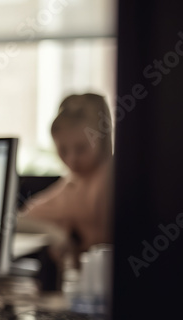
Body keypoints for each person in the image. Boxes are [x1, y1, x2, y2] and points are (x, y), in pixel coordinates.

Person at [18, 93, 114, 264]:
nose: (71, 160)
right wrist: (55, 233)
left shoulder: (110, 178)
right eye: (62, 150)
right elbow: (19, 220)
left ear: (102, 138)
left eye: (81, 149)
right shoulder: (72, 183)